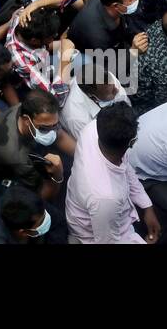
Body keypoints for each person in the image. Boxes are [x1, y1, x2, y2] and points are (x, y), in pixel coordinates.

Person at [66, 102, 161, 244]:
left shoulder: (93, 129)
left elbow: (126, 168)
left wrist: (146, 206)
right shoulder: (106, 197)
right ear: (131, 143)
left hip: (103, 213)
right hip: (92, 234)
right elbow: (107, 241)